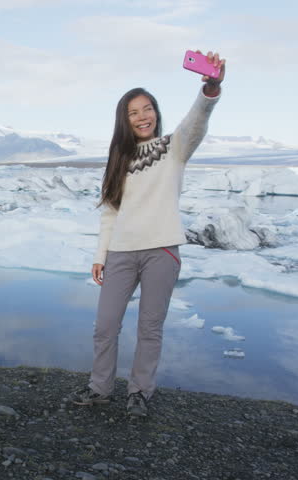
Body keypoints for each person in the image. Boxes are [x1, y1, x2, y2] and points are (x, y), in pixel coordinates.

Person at [70, 50, 226, 417]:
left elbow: (196, 121)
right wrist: (100, 255)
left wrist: (210, 90)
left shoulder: (174, 147)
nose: (142, 117)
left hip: (162, 252)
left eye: (147, 109)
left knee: (150, 329)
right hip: (122, 252)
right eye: (133, 112)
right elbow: (110, 212)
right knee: (105, 326)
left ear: (156, 111)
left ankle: (139, 392)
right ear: (125, 120)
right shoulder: (119, 158)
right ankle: (100, 388)